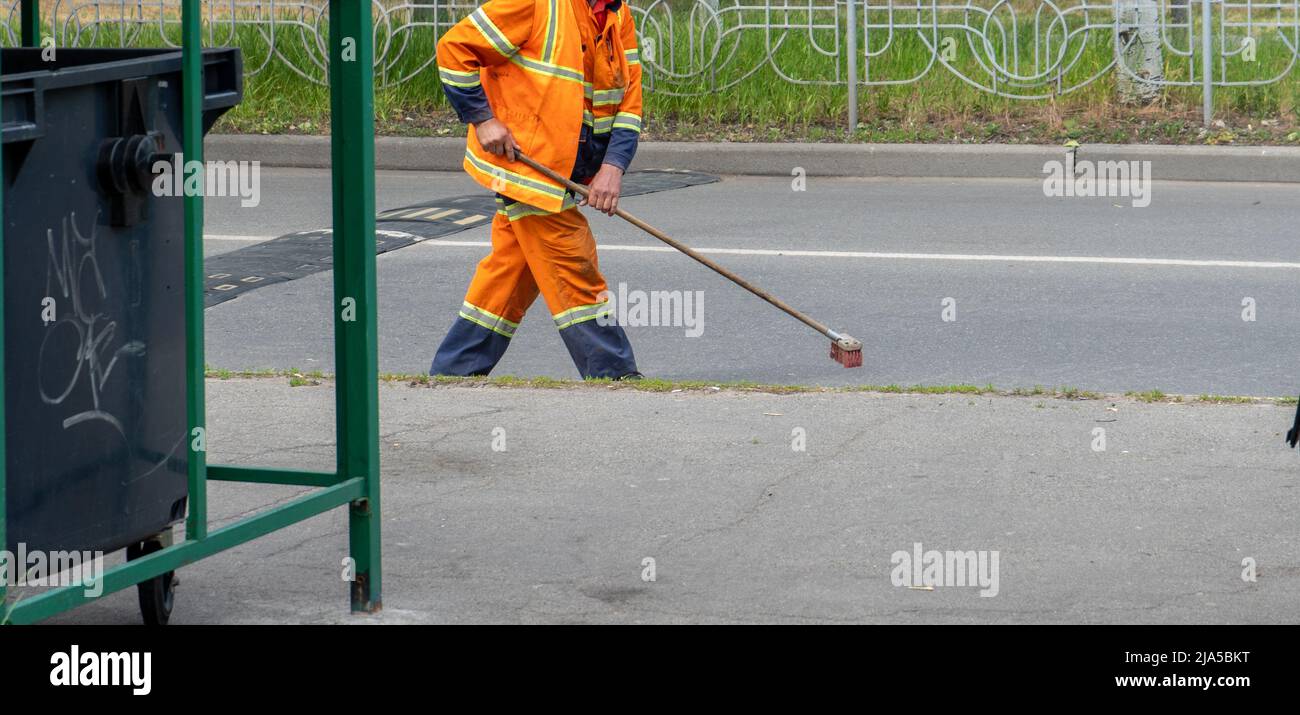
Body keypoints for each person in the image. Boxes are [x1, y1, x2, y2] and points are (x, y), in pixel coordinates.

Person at [430, 0, 644, 380]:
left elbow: (627, 102)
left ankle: (454, 374)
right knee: (575, 267)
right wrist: (482, 119)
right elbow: (454, 47)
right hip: (527, 170)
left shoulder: (618, 14)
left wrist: (612, 166)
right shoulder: (535, 3)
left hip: (564, 173)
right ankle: (615, 376)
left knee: (508, 276)